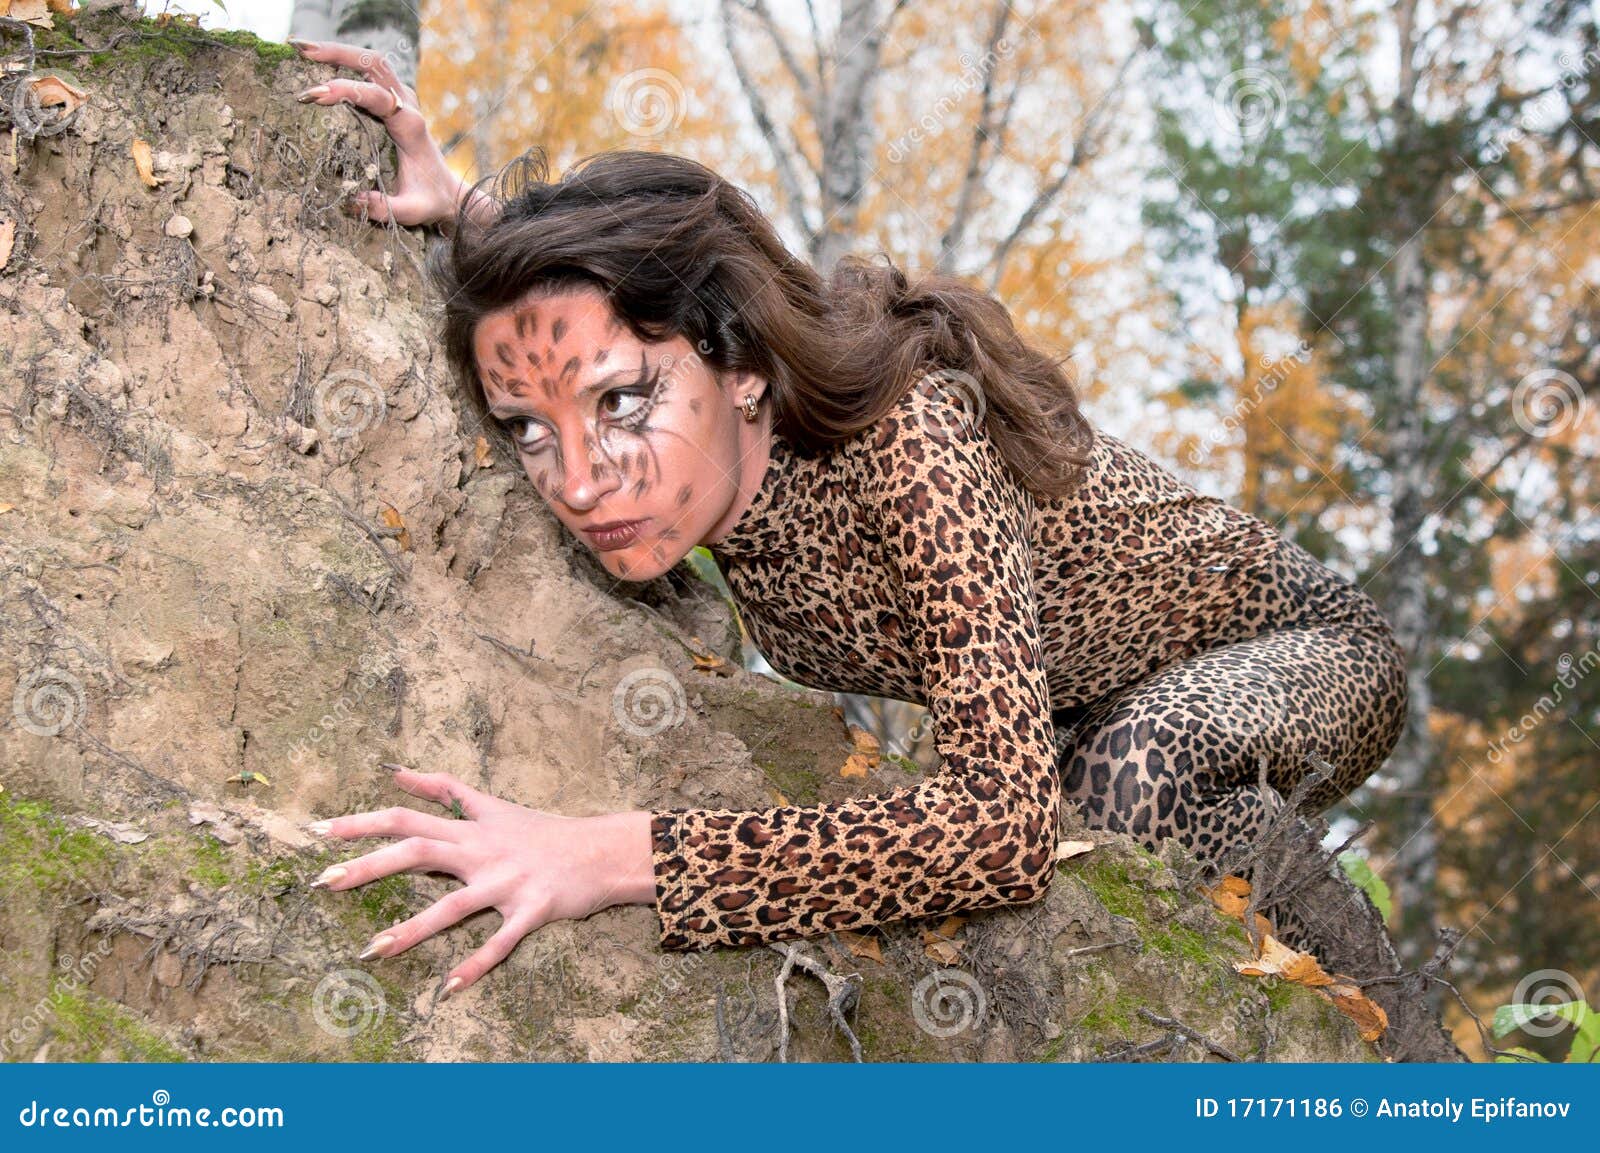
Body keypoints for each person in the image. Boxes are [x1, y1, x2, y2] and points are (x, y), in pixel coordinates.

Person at [289, 40, 1409, 997]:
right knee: (1096, 794)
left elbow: (996, 834)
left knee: (1126, 775)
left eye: (620, 407)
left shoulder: (905, 439)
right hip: (1075, 697)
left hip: (1297, 648)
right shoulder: (703, 428)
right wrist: (475, 218)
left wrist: (608, 854)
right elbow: (625, 320)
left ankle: (1400, 1041)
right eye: (530, 430)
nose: (579, 480)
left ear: (740, 369)